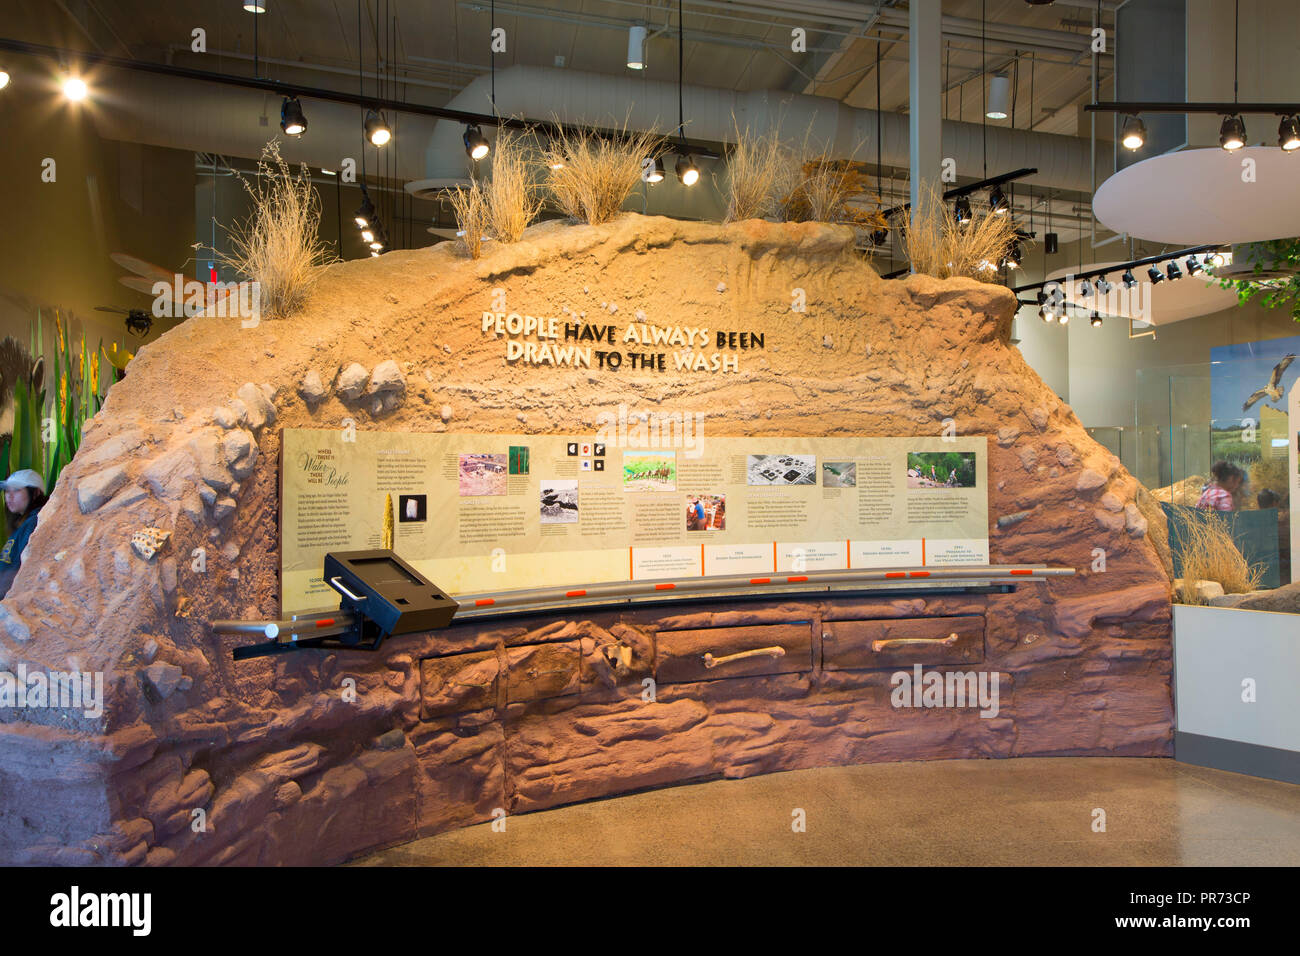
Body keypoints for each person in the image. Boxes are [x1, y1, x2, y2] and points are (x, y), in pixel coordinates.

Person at [0, 469, 47, 598]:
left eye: (16, 490)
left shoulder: (34, 523)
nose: (9, 496)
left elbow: (25, 569)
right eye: (7, 491)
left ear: (36, 493)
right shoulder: (22, 523)